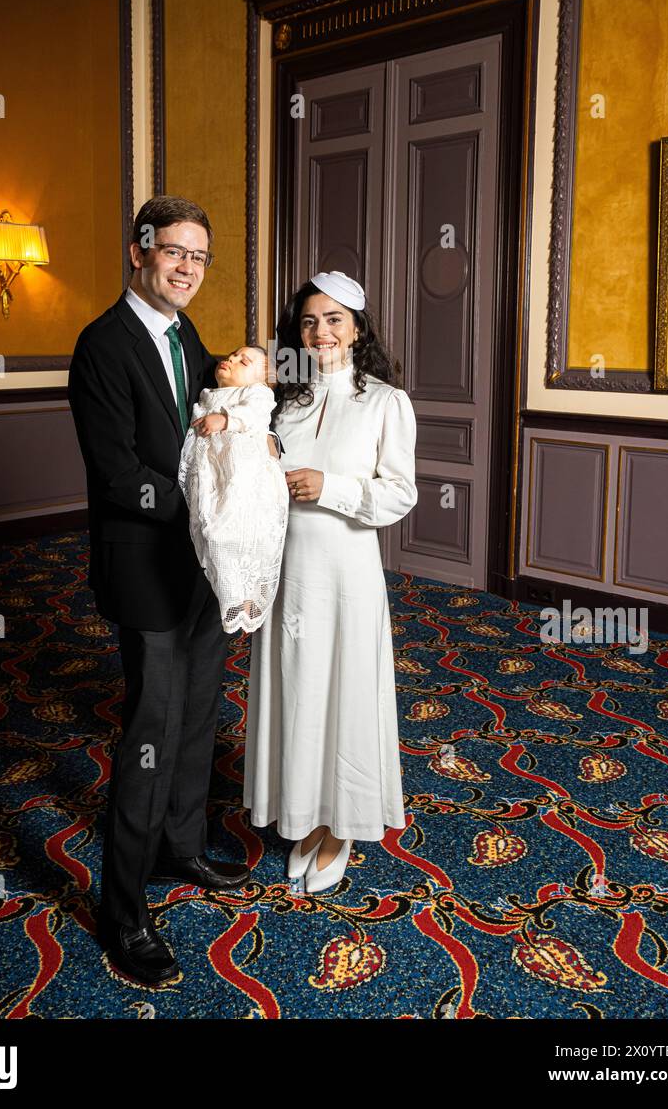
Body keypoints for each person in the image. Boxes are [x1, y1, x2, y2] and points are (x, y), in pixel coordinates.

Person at [68, 197, 278, 989]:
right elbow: (118, 476)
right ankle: (122, 907)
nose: (187, 267)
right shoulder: (101, 345)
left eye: (199, 256)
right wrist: (215, 502)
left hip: (199, 565)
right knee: (149, 734)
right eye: (173, 252)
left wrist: (255, 440)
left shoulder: (187, 335)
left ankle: (181, 846)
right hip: (144, 567)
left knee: (197, 713)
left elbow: (217, 415)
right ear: (138, 252)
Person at [243, 271, 418, 893]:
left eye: (335, 320)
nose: (321, 332)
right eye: (311, 321)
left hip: (346, 569)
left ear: (358, 330)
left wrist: (331, 488)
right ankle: (303, 813)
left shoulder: (386, 402)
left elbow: (399, 493)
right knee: (295, 686)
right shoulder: (280, 401)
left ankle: (341, 823)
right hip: (286, 567)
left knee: (342, 688)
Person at [178, 344, 289, 635]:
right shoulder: (207, 394)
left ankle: (247, 598)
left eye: (244, 361)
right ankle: (230, 597)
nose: (231, 360)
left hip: (244, 477)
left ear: (263, 377)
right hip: (212, 476)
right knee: (212, 533)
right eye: (232, 356)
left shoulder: (256, 393)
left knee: (244, 534)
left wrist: (225, 419)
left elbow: (256, 415)